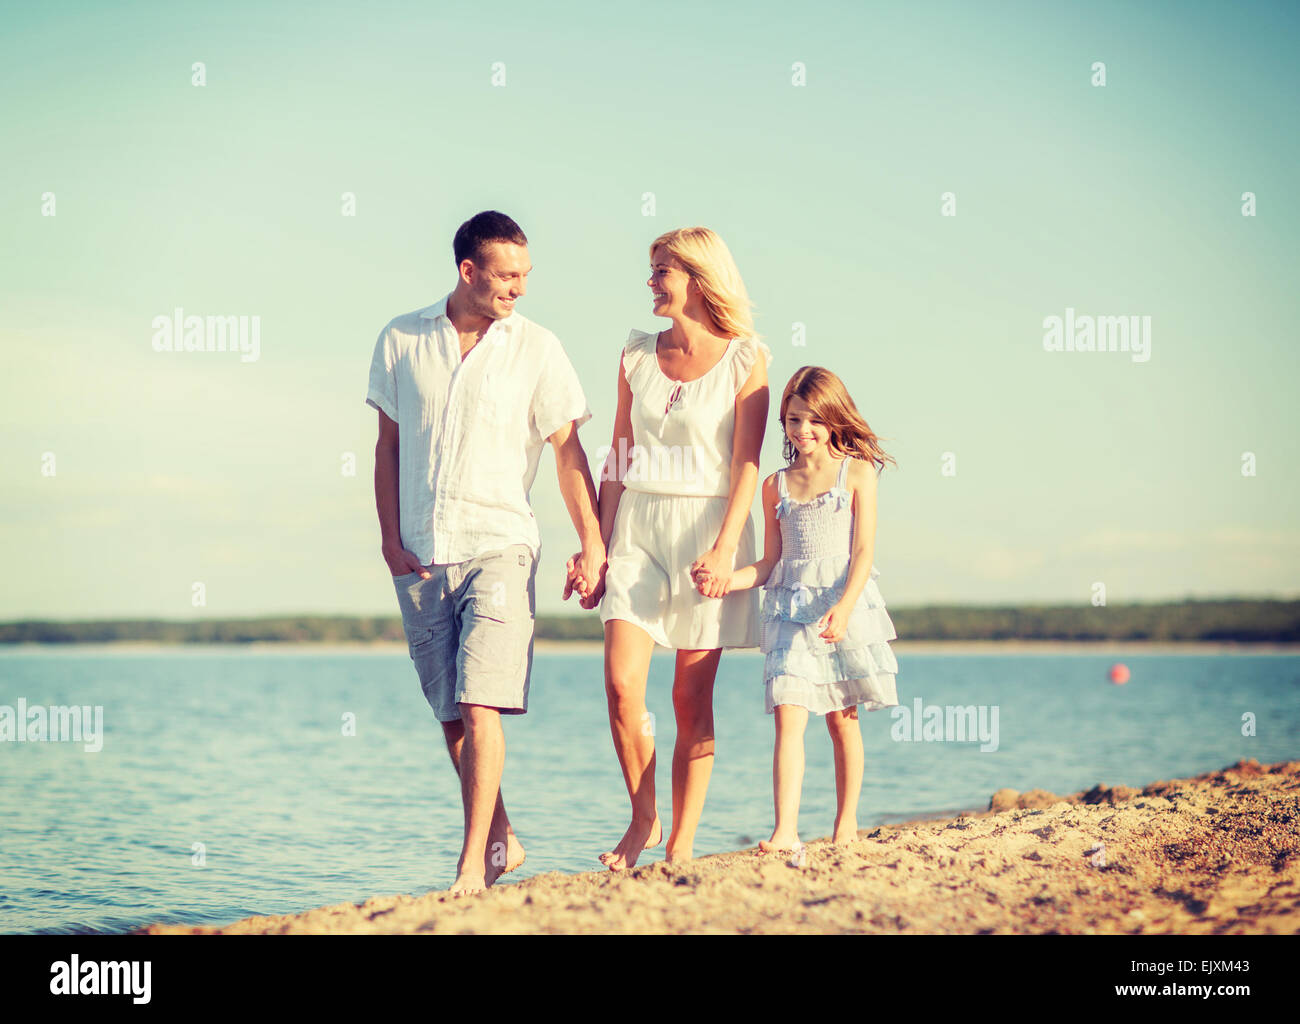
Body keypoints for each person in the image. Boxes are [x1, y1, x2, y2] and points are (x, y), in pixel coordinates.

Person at [367, 210, 605, 896]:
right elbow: (386, 449)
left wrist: (593, 544)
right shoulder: (401, 339)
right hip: (420, 552)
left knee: (482, 704)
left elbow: (568, 455)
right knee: (451, 714)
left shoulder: (538, 348)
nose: (519, 289)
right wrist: (388, 539)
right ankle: (502, 836)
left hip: (502, 544)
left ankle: (473, 866)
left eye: (526, 276)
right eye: (507, 276)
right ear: (467, 271)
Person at [565, 227, 771, 870]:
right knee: (622, 683)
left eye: (661, 271)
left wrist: (727, 548)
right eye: (652, 271)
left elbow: (745, 465)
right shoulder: (634, 353)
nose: (651, 282)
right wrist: (593, 545)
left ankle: (682, 844)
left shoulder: (746, 359)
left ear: (698, 277)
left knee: (690, 700)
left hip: (709, 531)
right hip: (637, 524)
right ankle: (644, 816)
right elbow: (618, 455)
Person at [697, 365, 899, 854]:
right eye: (791, 420)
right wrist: (728, 578)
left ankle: (845, 823)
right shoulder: (776, 486)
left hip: (842, 606)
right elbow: (769, 563)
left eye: (812, 420)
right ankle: (785, 830)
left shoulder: (857, 471)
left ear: (833, 419)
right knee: (789, 713)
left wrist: (846, 609)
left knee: (841, 718)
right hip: (789, 609)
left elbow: (865, 552)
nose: (801, 430)